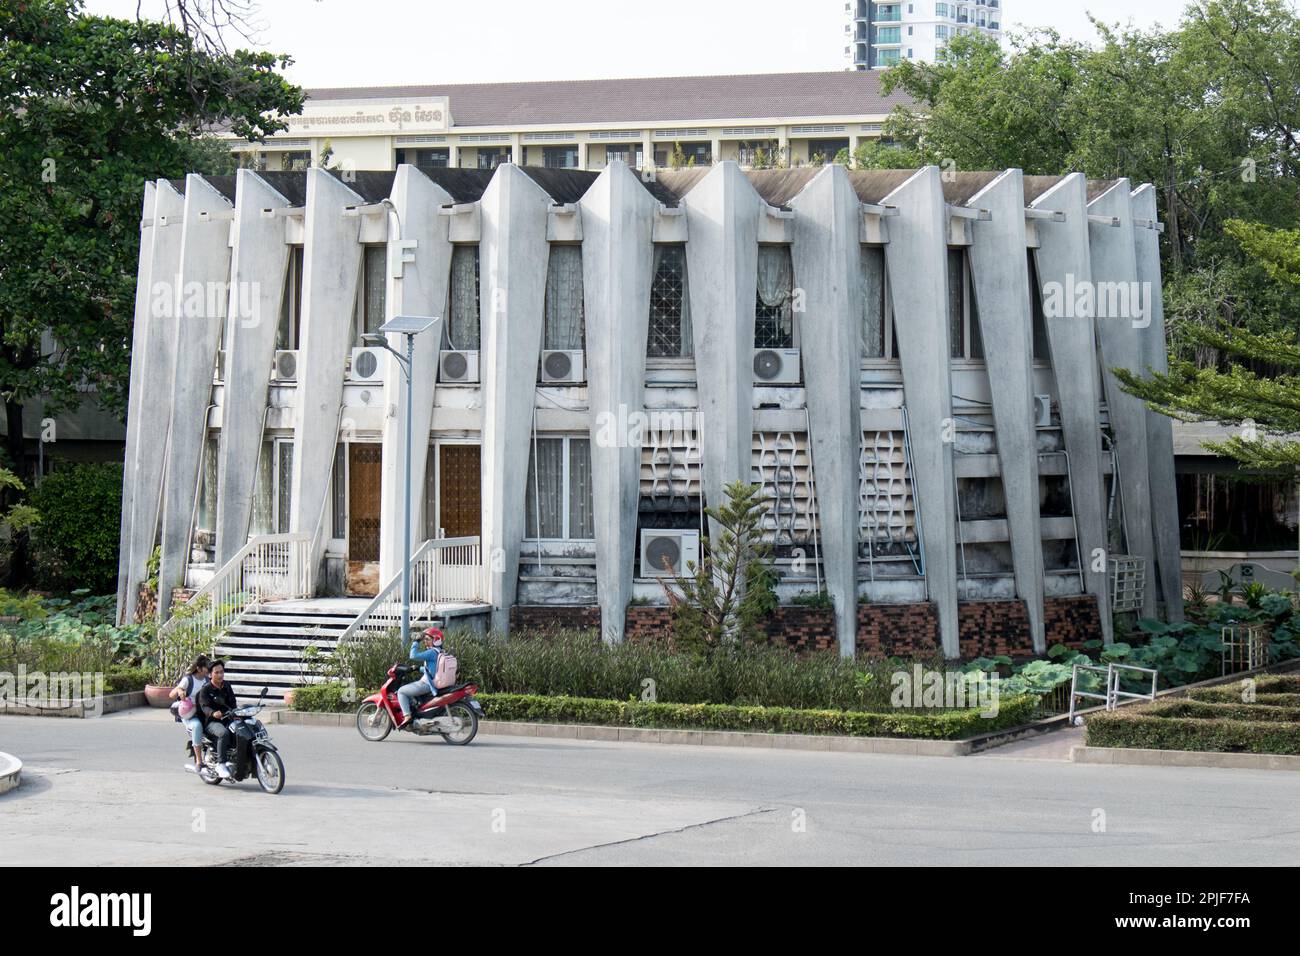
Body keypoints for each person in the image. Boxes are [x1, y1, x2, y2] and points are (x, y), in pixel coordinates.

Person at [197, 660, 252, 778]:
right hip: (212, 722)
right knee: (224, 733)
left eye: (222, 672)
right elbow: (204, 707)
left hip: (228, 718)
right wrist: (213, 713)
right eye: (217, 672)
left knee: (245, 728)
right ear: (210, 674)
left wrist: (237, 712)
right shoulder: (205, 690)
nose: (220, 675)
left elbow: (233, 703)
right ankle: (221, 764)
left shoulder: (227, 685)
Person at [169, 655, 211, 773]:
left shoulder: (207, 680)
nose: (208, 670)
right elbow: (172, 695)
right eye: (206, 668)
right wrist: (180, 690)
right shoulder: (188, 680)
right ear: (199, 668)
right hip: (189, 714)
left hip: (203, 712)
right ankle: (199, 761)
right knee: (197, 726)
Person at [396, 627, 444, 729]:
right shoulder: (440, 651)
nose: (425, 642)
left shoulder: (431, 653)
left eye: (427, 639)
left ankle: (407, 716)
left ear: (435, 640)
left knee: (401, 691)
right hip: (433, 682)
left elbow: (413, 656)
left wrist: (416, 641)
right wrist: (419, 668)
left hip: (427, 684)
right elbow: (433, 669)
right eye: (424, 639)